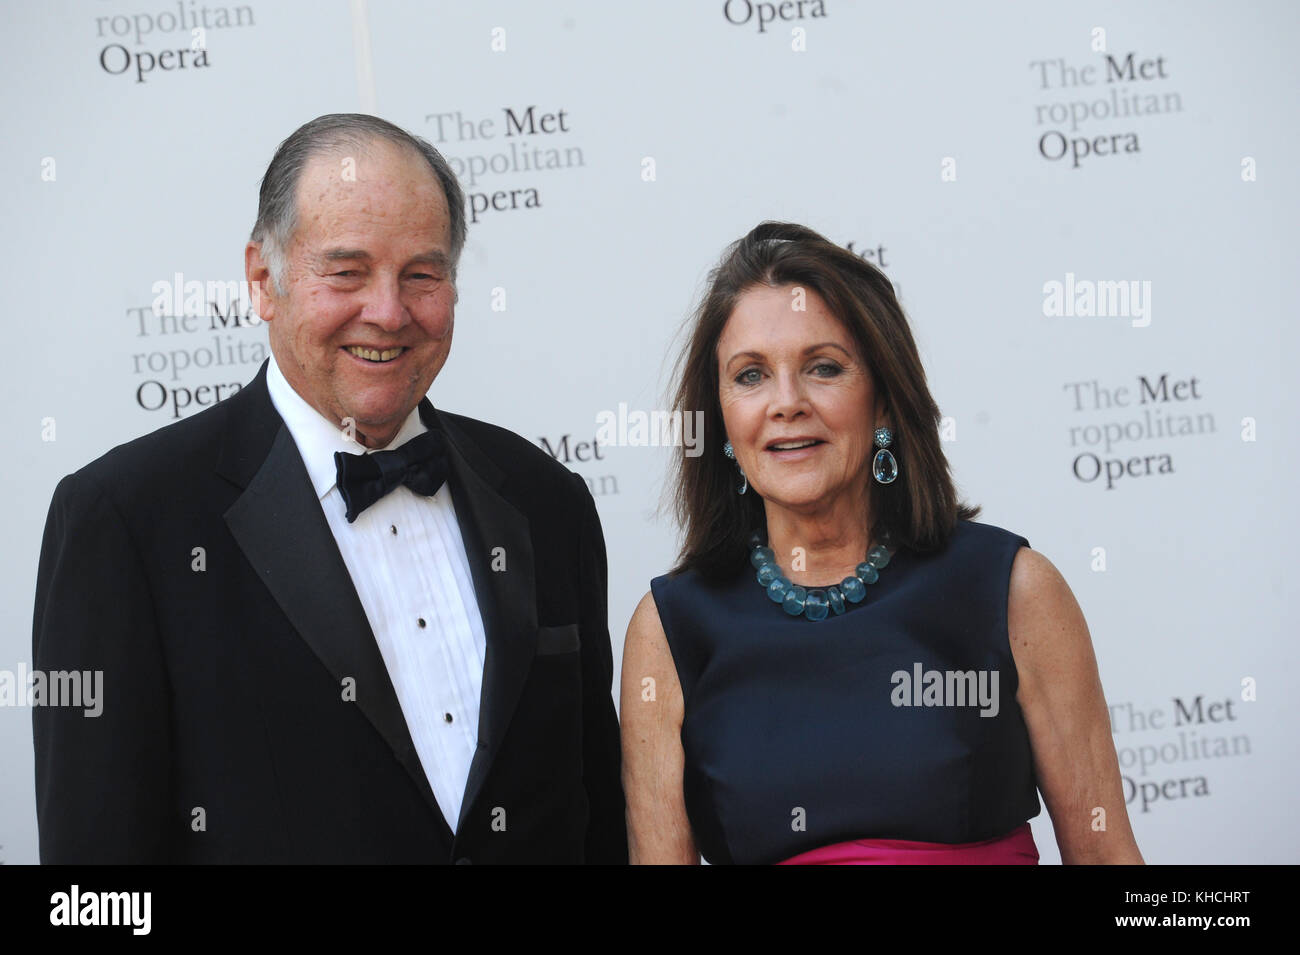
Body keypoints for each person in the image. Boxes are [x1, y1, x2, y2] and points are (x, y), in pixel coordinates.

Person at [32, 113, 626, 864]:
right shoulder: (124, 520)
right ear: (263, 280)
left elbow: (601, 819)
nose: (388, 311)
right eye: (346, 271)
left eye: (422, 273)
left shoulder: (548, 501)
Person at [621, 221, 1143, 865]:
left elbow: (1107, 860)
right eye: (751, 376)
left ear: (886, 402)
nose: (786, 403)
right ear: (722, 417)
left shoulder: (1012, 589)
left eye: (824, 367)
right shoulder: (669, 631)